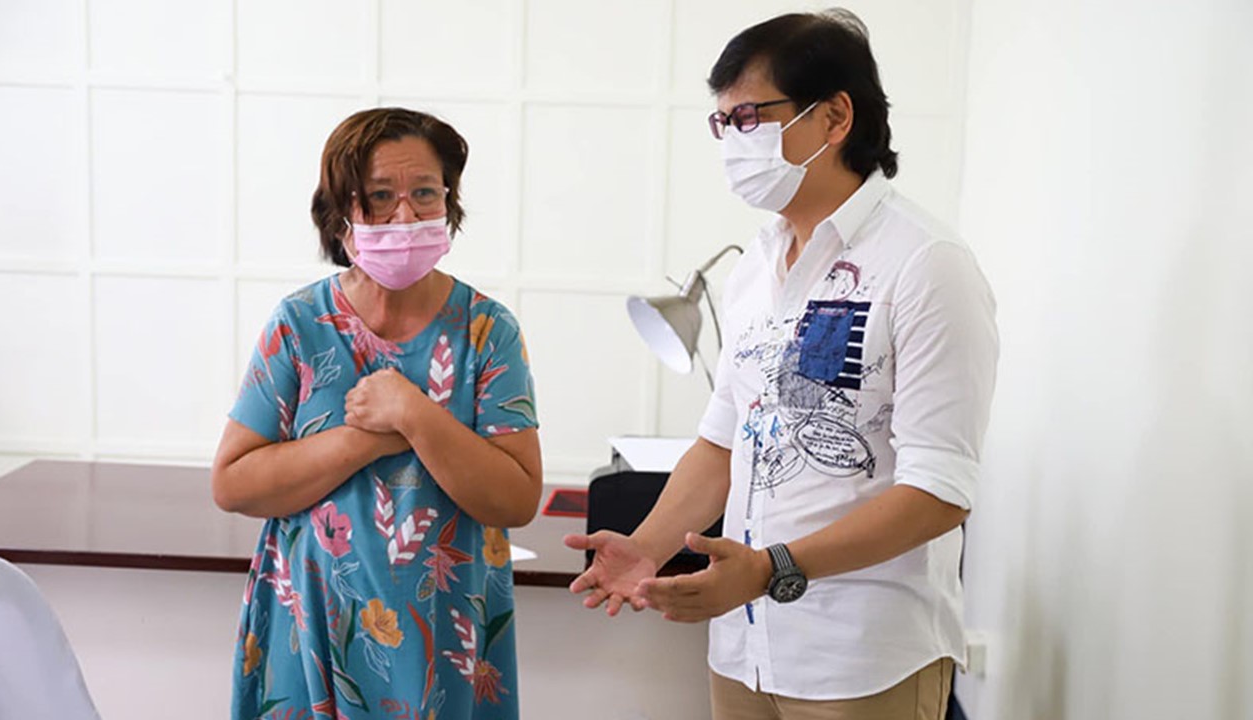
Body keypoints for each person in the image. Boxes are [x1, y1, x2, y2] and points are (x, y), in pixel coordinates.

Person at [565, 10, 998, 719]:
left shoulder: (925, 265)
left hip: (862, 658)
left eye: (750, 118)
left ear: (834, 117)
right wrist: (645, 547)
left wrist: (772, 568)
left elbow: (939, 491)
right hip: (745, 648)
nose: (734, 141)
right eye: (723, 122)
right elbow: (721, 445)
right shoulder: (756, 267)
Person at [212, 107, 541, 720]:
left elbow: (517, 498)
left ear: (450, 202)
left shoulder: (487, 330)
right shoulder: (299, 325)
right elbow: (234, 483)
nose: (405, 215)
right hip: (309, 628)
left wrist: (415, 414)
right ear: (341, 212)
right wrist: (368, 439)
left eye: (425, 194)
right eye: (380, 196)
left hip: (445, 636)